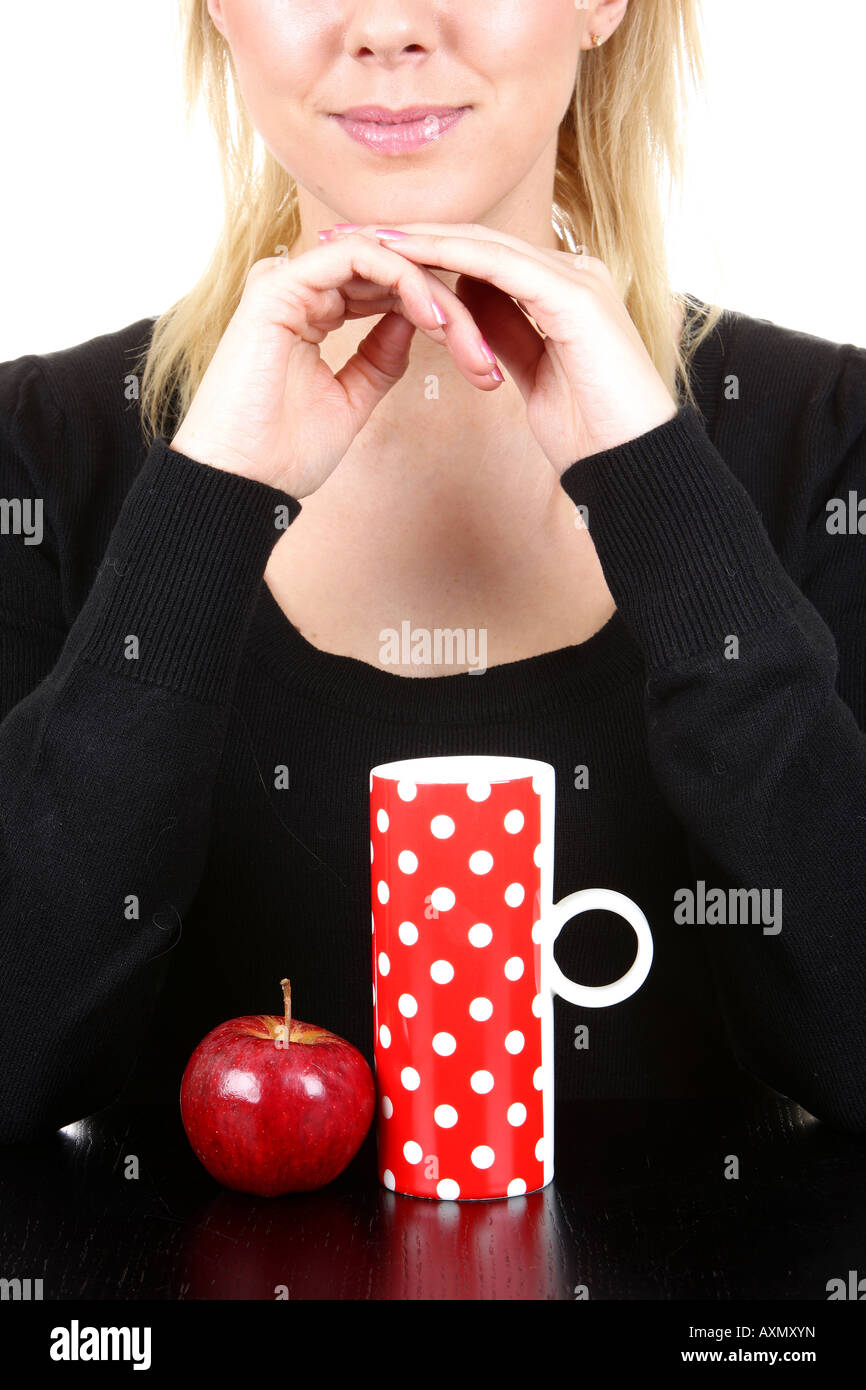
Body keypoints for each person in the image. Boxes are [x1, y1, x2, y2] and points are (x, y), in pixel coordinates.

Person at [0, 0, 863, 1148]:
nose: (390, 25)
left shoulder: (829, 441)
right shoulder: (39, 451)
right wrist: (205, 501)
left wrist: (660, 490)